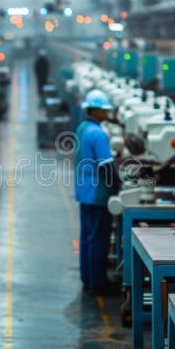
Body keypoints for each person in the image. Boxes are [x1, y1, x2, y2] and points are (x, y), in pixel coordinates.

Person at [74, 89, 118, 295]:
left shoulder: (82, 128)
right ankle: (98, 285)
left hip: (84, 190)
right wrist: (120, 184)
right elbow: (107, 167)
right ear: (95, 110)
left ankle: (87, 278)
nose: (107, 113)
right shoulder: (98, 134)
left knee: (87, 236)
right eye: (104, 110)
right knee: (99, 239)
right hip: (97, 193)